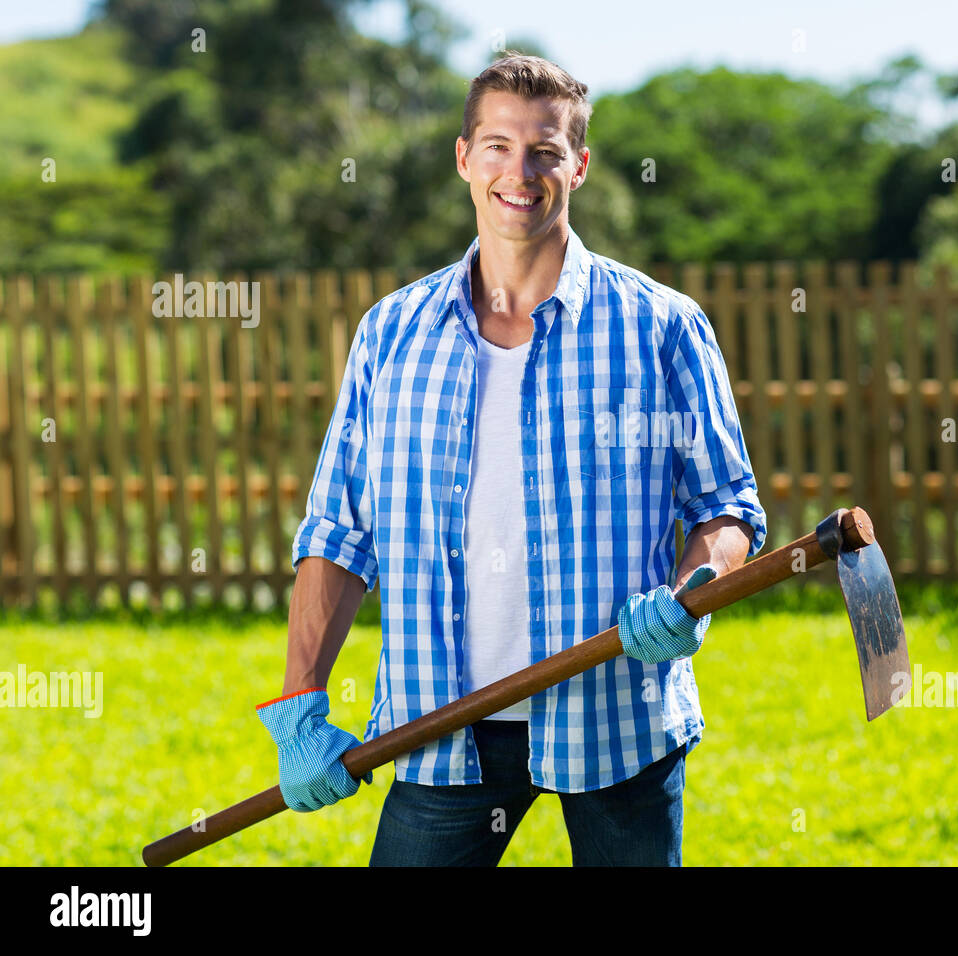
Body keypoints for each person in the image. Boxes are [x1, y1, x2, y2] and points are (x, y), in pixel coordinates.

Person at [255, 53, 766, 867]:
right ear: (464, 158)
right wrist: (299, 703)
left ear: (580, 166)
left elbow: (726, 506)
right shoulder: (391, 334)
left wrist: (690, 594)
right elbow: (339, 532)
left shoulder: (662, 327)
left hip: (617, 716)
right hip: (440, 721)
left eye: (544, 151)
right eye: (496, 146)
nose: (517, 173)